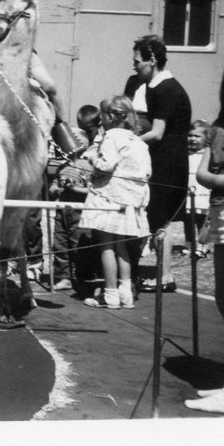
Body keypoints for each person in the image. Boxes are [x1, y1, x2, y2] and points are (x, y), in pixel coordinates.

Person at [185, 54, 224, 416]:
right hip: (222, 211)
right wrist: (220, 179)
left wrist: (219, 178)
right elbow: (204, 175)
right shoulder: (222, 124)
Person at [130, 35, 192, 292]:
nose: (134, 67)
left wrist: (126, 142)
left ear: (152, 59)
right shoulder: (154, 86)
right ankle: (162, 274)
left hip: (169, 157)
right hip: (164, 155)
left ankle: (165, 276)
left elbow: (157, 132)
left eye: (137, 62)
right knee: (157, 218)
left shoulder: (165, 88)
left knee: (161, 219)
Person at [79, 95, 151, 310]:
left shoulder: (111, 137)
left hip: (109, 198)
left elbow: (105, 165)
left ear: (109, 116)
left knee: (105, 246)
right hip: (130, 201)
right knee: (121, 246)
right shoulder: (137, 140)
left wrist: (91, 156)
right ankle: (125, 292)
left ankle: (110, 293)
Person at [48, 104, 101, 295]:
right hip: (63, 210)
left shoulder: (88, 165)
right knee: (59, 244)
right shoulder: (63, 165)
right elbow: (55, 185)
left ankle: (84, 277)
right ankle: (63, 277)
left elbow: (91, 189)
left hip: (80, 212)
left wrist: (75, 188)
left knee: (79, 245)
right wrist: (54, 189)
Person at [187, 119, 213, 254]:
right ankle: (190, 244)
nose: (192, 139)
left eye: (197, 136)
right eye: (190, 135)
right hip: (189, 191)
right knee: (188, 219)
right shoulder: (186, 154)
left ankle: (203, 245)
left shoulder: (206, 155)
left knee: (202, 220)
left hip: (202, 190)